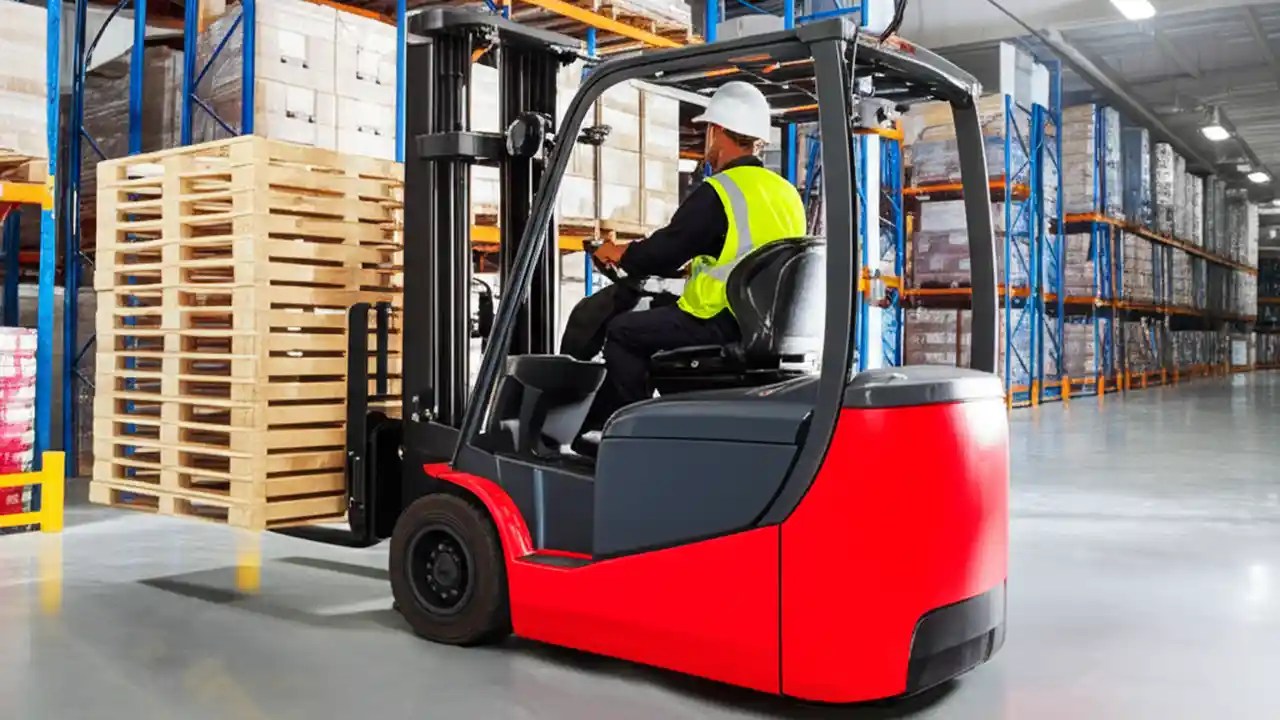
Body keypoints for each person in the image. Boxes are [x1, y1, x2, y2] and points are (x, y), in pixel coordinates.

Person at [582, 81, 807, 432]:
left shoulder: (722, 190)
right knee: (655, 317)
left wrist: (620, 253)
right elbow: (748, 254)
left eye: (707, 132)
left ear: (716, 132)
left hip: (722, 323)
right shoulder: (787, 193)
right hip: (769, 327)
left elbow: (662, 253)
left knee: (623, 332)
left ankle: (630, 435)